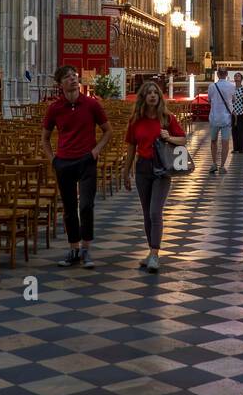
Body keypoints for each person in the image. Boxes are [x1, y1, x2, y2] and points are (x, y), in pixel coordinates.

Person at [40, 65, 112, 268]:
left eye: (74, 76)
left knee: (86, 206)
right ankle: (73, 248)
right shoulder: (54, 108)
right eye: (68, 77)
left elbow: (108, 131)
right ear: (60, 83)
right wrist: (53, 159)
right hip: (64, 162)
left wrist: (95, 151)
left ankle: (86, 249)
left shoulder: (91, 104)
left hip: (86, 160)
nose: (73, 79)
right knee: (70, 209)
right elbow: (44, 138)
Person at [122, 80, 188, 273]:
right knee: (146, 213)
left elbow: (183, 140)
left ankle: (154, 253)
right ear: (143, 97)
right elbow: (131, 147)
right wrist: (126, 172)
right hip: (142, 168)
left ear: (159, 97)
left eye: (155, 93)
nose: (152, 95)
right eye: (149, 93)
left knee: (154, 211)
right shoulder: (136, 120)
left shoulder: (167, 118)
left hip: (162, 169)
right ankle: (151, 252)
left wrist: (168, 137)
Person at [207, 66, 236, 174]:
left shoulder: (212, 86)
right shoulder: (231, 86)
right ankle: (222, 166)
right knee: (225, 143)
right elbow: (233, 99)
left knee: (213, 141)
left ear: (218, 75)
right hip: (226, 118)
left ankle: (214, 163)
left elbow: (209, 100)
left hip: (214, 117)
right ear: (227, 74)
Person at [231, 72, 243, 154]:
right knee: (234, 131)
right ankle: (236, 148)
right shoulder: (232, 88)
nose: (236, 77)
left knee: (242, 131)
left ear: (241, 79)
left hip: (241, 111)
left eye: (238, 76)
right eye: (235, 76)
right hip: (233, 112)